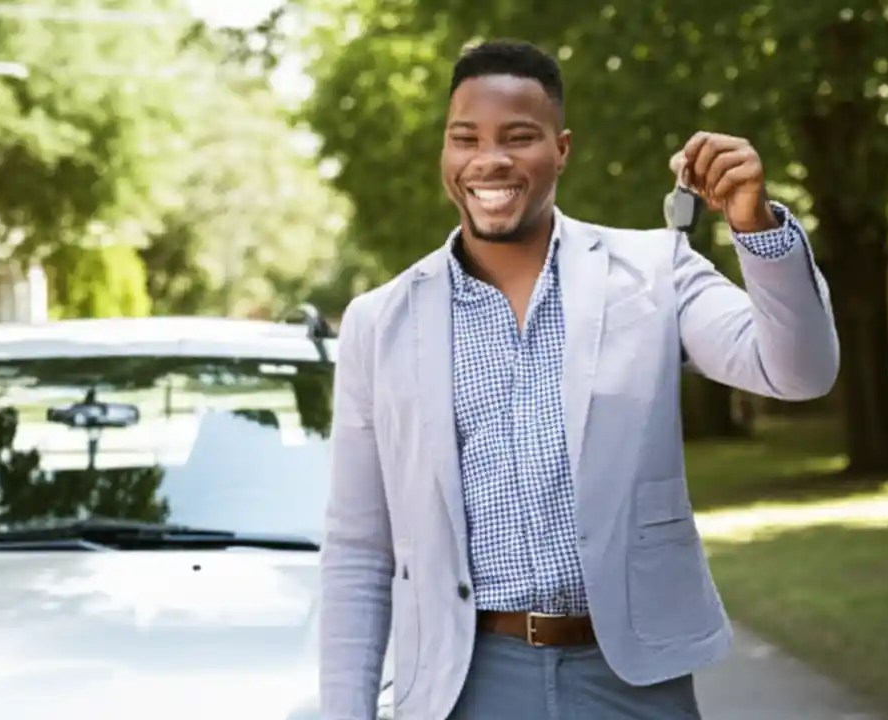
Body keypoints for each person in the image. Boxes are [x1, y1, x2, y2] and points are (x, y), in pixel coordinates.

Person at [318, 38, 839, 720]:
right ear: (445, 153)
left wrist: (755, 226)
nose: (489, 159)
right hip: (466, 681)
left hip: (629, 678)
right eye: (465, 137)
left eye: (519, 136)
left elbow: (798, 372)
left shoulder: (655, 271)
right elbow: (358, 551)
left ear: (561, 149)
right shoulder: (378, 322)